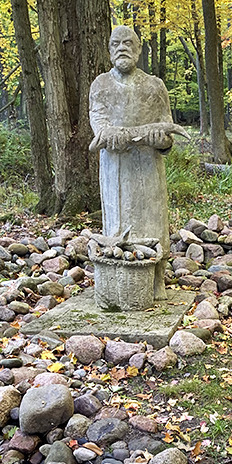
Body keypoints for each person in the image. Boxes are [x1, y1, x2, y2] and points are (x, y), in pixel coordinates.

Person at [89, 26, 174, 301]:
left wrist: (158, 138)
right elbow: (98, 125)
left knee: (152, 220)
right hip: (115, 167)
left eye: (128, 43)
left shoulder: (154, 86)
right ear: (110, 50)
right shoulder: (100, 85)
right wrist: (109, 135)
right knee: (117, 223)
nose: (122, 48)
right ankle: (116, 283)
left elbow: (167, 132)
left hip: (148, 167)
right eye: (116, 43)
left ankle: (156, 278)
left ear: (138, 50)